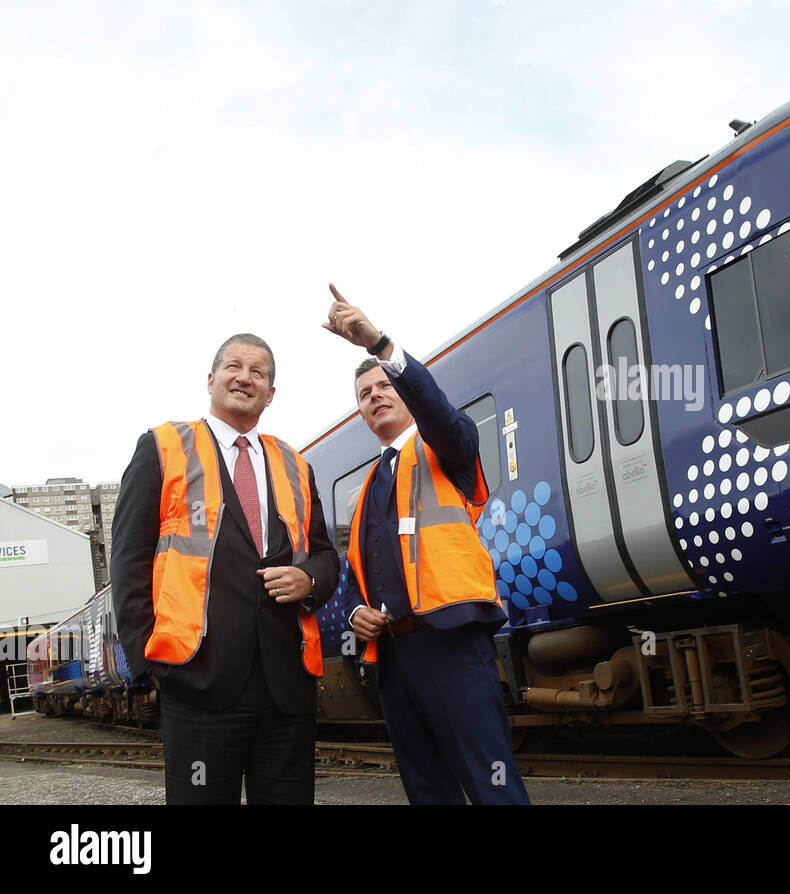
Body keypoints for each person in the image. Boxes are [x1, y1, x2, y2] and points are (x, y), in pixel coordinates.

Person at [111, 333, 339, 804]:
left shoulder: (295, 465)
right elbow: (130, 557)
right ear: (212, 378)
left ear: (270, 394)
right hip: (196, 681)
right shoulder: (163, 446)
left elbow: (324, 554)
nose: (245, 377)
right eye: (234, 366)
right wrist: (150, 664)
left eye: (259, 372)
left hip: (285, 685)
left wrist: (310, 580)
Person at [323, 284, 529, 805]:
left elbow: (443, 417)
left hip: (451, 640)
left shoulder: (445, 446)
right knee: (427, 790)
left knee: (491, 782)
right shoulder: (366, 489)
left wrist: (382, 348)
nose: (375, 396)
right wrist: (354, 616)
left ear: (404, 392)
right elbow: (353, 579)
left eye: (383, 386)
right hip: (394, 657)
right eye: (364, 395)